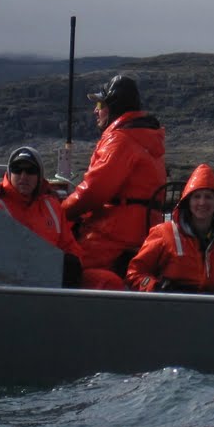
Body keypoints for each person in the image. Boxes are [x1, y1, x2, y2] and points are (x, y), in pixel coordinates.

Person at [61, 73, 167, 277]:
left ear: (114, 107)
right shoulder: (146, 138)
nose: (95, 111)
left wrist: (58, 213)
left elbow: (93, 192)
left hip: (112, 236)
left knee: (65, 267)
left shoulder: (120, 140)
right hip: (141, 232)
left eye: (100, 105)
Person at [0, 146, 124, 290]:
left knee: (109, 281)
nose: (23, 176)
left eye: (31, 171)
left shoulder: (52, 207)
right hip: (16, 284)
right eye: (17, 170)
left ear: (39, 176)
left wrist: (72, 264)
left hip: (54, 280)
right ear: (10, 173)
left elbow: (69, 246)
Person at [126, 164, 214, 295]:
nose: (202, 202)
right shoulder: (163, 234)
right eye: (197, 196)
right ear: (188, 201)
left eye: (208, 197)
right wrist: (155, 288)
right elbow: (135, 273)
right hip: (172, 308)